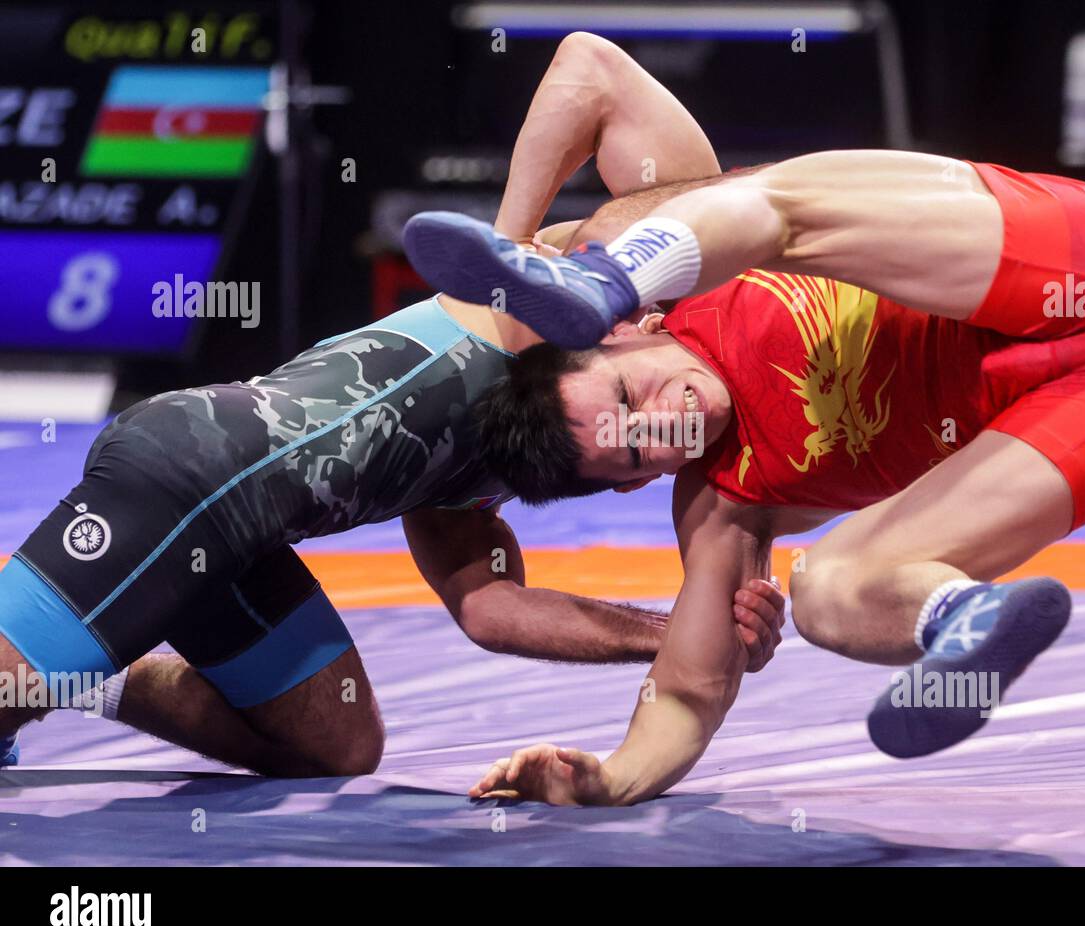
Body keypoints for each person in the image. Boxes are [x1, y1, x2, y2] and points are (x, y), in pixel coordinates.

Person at [404, 52, 1085, 806]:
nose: (667, 424)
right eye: (639, 448)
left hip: (1077, 267)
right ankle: (964, 617)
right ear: (639, 481)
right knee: (823, 591)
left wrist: (510, 241)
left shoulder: (685, 239)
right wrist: (604, 781)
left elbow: (589, 66)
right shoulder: (725, 504)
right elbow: (688, 694)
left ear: (626, 332)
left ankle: (597, 282)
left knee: (763, 202)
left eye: (631, 396)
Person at [0, 33, 786, 774]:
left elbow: (492, 610)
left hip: (239, 544)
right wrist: (505, 257)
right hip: (189, 469)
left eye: (637, 448)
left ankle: (93, 663)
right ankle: (52, 649)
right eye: (628, 398)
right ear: (624, 328)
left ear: (628, 481)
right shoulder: (564, 306)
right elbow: (590, 67)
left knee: (336, 744)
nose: (658, 420)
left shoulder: (506, 468)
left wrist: (680, 636)